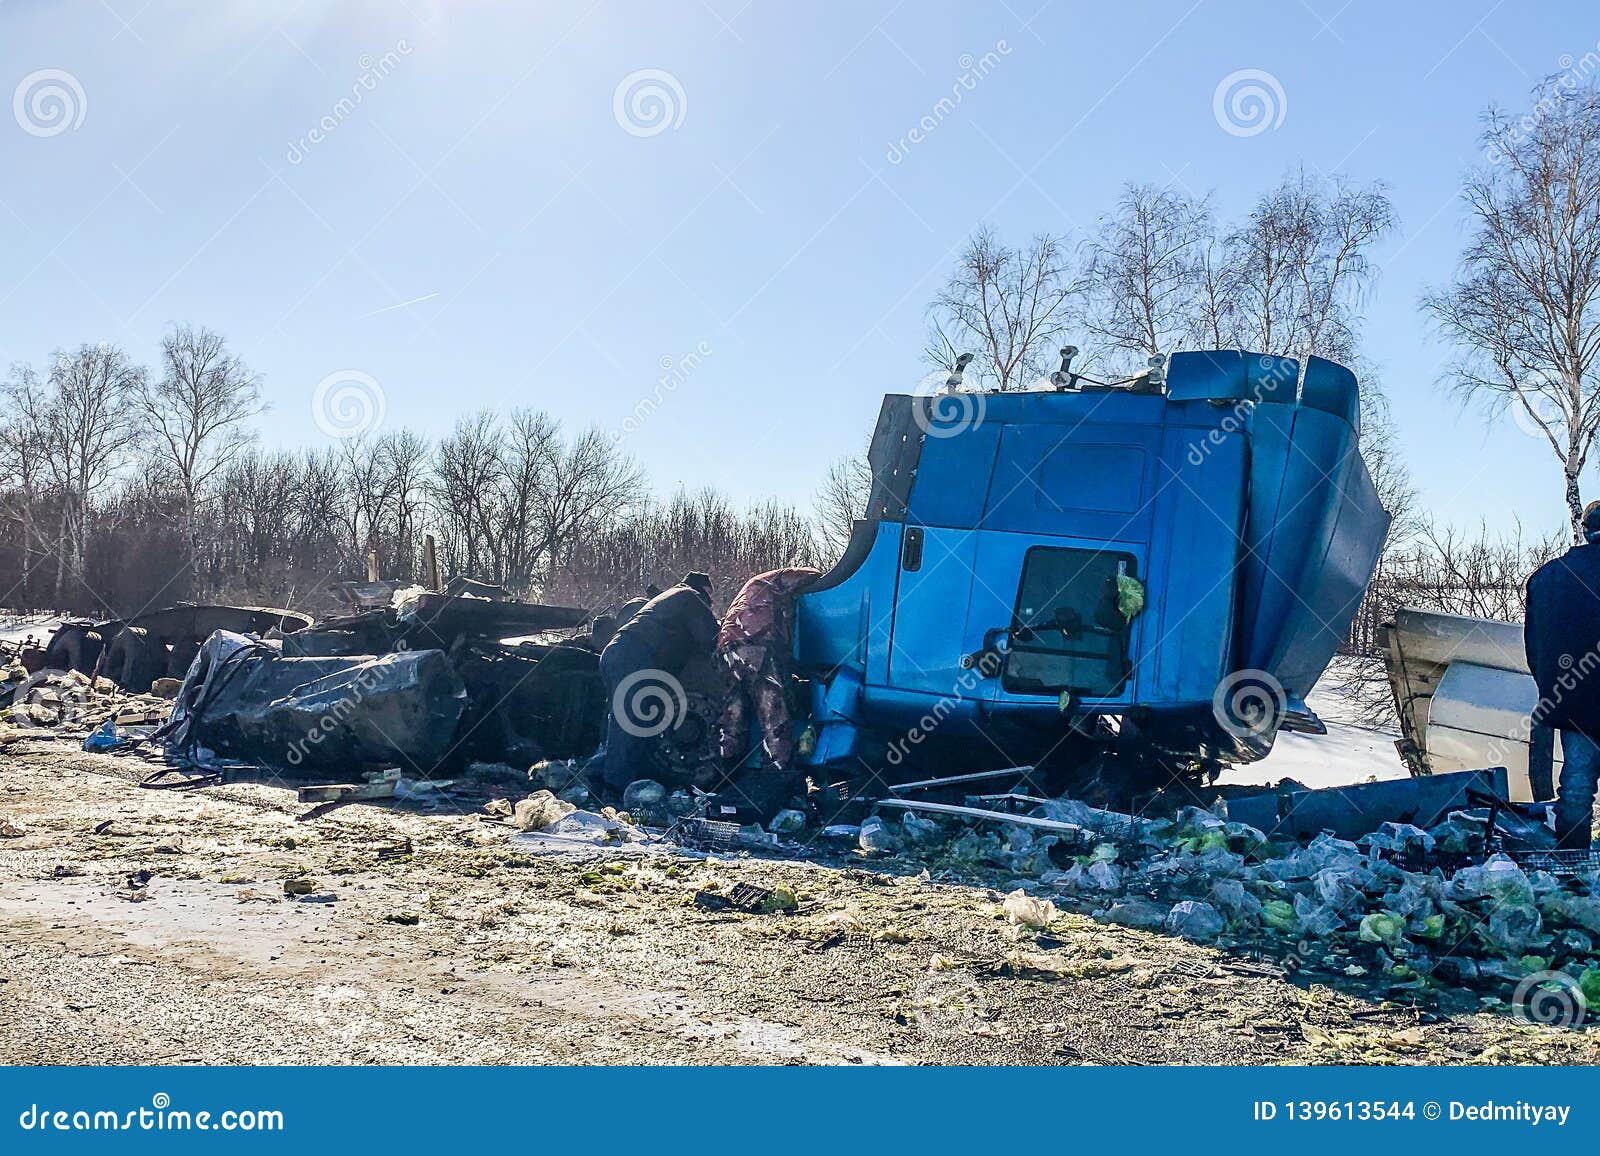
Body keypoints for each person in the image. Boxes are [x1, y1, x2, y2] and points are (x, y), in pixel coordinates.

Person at [715, 566, 821, 818]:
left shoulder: (754, 587)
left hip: (728, 648)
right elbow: (812, 581)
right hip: (757, 646)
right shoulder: (786, 580)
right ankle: (777, 773)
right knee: (773, 713)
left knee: (733, 715)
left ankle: (721, 770)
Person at [597, 573, 717, 794]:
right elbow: (710, 638)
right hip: (634, 656)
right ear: (701, 591)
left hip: (617, 653)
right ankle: (615, 789)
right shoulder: (688, 597)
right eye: (709, 598)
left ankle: (599, 773)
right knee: (629, 723)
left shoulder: (668, 600)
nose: (709, 604)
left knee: (625, 722)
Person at [1525, 501, 1600, 850]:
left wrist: (1554, 688)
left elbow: (1535, 648)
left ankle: (1574, 871)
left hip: (1577, 702)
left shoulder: (1548, 578)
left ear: (1586, 530)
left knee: (1577, 784)